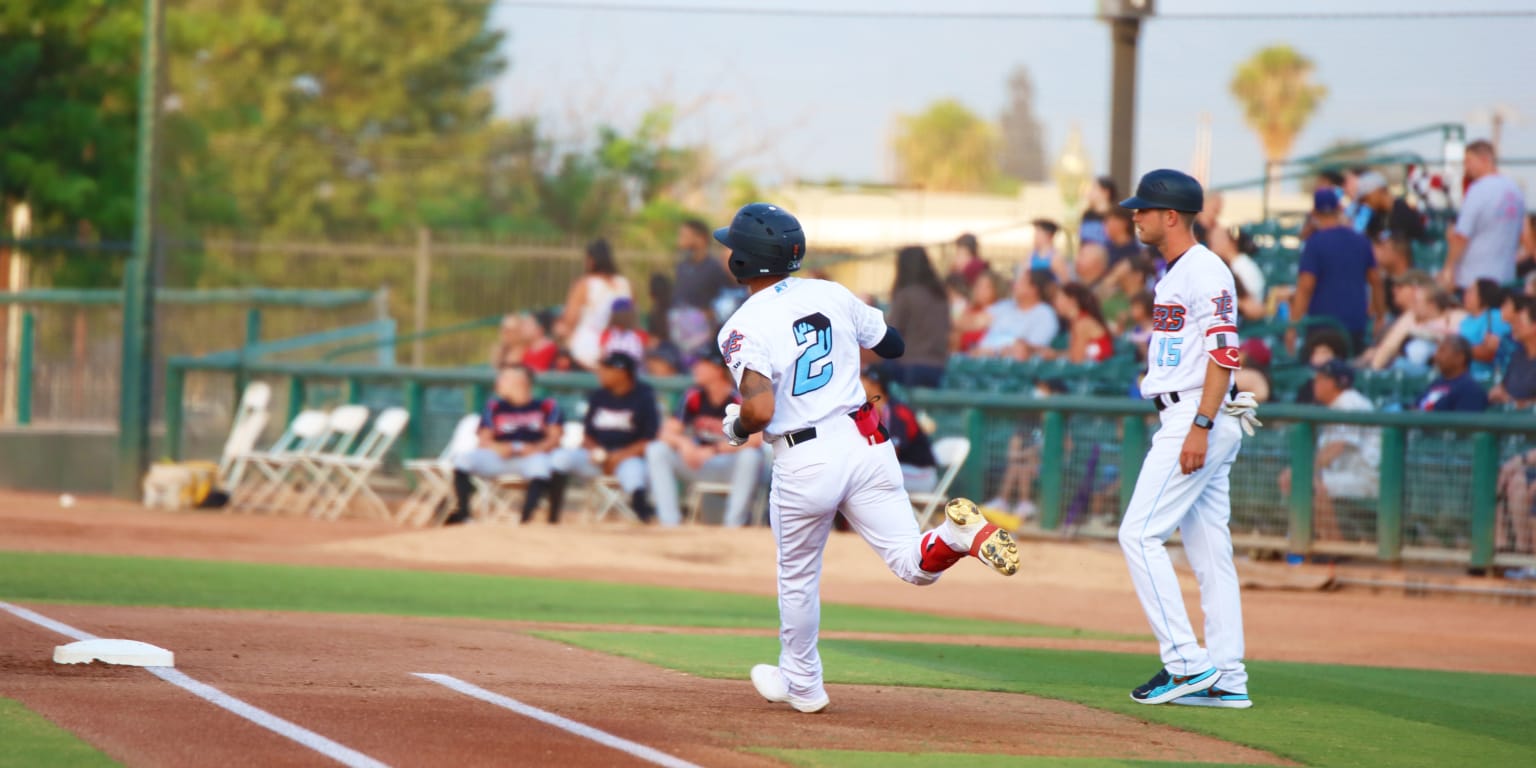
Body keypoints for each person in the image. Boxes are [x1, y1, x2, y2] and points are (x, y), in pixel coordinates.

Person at [711, 202, 1018, 714]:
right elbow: (892, 345)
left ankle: (805, 685)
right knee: (912, 562)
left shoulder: (739, 326)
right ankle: (954, 536)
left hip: (805, 457)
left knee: (798, 577)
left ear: (742, 262)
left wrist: (736, 426)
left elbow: (760, 407)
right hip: (866, 442)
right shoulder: (830, 292)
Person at [1116, 169, 1254, 709]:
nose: (1136, 215)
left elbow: (1226, 353)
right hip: (1197, 414)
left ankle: (1186, 664)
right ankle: (1226, 676)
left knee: (1138, 535)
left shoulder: (1205, 271)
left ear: (1170, 216)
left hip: (1197, 416)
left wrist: (1199, 424)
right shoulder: (1176, 272)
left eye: (1144, 209)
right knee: (1210, 552)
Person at [645, 351, 764, 527]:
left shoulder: (738, 397)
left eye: (702, 365)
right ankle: (669, 523)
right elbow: (665, 432)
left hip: (729, 464)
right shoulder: (693, 396)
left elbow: (756, 439)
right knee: (657, 450)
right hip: (698, 462)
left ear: (717, 370)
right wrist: (684, 444)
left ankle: (734, 526)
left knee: (751, 457)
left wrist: (714, 450)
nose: (696, 369)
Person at [447, 366, 566, 526]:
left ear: (521, 381)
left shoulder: (546, 405)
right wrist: (497, 447)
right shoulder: (495, 406)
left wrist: (536, 449)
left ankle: (525, 519)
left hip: (531, 456)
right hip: (500, 456)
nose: (498, 383)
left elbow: (555, 438)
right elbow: (484, 439)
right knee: (463, 460)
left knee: (542, 466)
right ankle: (464, 514)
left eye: (504, 379)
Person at [1278, 361, 1379, 542]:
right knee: (1300, 480)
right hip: (1349, 474)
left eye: (1320, 379)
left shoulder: (1350, 402)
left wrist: (1302, 470)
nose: (1315, 383)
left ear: (1337, 383)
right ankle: (1311, 539)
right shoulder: (1338, 404)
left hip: (1368, 477)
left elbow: (1337, 447)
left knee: (1304, 482)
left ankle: (1333, 544)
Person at [552, 352, 659, 521]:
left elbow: (649, 439)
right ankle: (553, 513)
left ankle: (643, 516)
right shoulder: (599, 396)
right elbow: (587, 435)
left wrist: (618, 457)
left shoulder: (644, 396)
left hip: (628, 458)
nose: (600, 373)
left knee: (634, 472)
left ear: (621, 372)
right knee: (561, 457)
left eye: (606, 369)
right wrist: (596, 451)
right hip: (597, 458)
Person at [1289, 187, 1382, 356]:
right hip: (1355, 327)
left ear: (1315, 213)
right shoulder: (1360, 240)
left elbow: (1305, 286)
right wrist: (1380, 316)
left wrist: (1293, 327)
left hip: (1322, 328)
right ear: (1339, 209)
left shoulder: (1315, 243)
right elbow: (1376, 280)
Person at [1444, 140, 1527, 291]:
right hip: (1505, 276)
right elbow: (1525, 234)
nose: (1466, 167)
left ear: (1484, 159)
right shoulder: (1515, 189)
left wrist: (1448, 268)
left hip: (1474, 281)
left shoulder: (1478, 190)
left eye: (1469, 161)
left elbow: (1461, 236)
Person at [859, 368, 939, 493]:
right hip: (900, 470)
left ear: (876, 384)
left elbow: (893, 454)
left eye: (864, 380)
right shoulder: (870, 410)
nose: (860, 383)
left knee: (870, 479)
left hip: (920, 473)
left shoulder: (898, 412)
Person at [558, 239, 633, 370]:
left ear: (591, 260)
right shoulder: (625, 284)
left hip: (586, 350)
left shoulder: (585, 285)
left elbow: (570, 320)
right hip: (621, 348)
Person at [883, 246, 951, 388]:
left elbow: (891, 332)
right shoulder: (940, 295)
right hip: (938, 367)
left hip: (908, 366)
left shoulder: (906, 295)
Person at [972, 271, 1060, 360]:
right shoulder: (1004, 306)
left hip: (1011, 369)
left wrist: (995, 352)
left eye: (1021, 282)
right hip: (978, 362)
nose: (1015, 284)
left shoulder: (1045, 315)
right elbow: (972, 322)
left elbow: (1029, 350)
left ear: (1033, 289)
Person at [1417, 336, 1488, 412]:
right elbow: (1415, 407)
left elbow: (1464, 422)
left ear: (1460, 357)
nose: (1436, 356)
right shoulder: (1436, 383)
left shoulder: (1470, 389)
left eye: (1442, 351)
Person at [1050, 282, 1114, 364]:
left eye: (1058, 299)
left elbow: (1077, 359)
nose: (1054, 303)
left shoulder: (1082, 324)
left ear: (1072, 301)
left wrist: (1056, 355)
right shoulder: (1076, 322)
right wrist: (1055, 354)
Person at [1458, 279, 1508, 381]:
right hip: (1464, 375)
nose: (1465, 295)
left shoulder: (1495, 316)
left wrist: (1456, 350)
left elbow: (1490, 353)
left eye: (1471, 291)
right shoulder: (1467, 320)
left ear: (1483, 296)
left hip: (1488, 376)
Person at [1491, 299, 1536, 408]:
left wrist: (1517, 403)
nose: (1514, 326)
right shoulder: (1517, 355)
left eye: (1520, 322)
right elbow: (1504, 386)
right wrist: (1499, 392)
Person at [952, 270, 1001, 353]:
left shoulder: (999, 312)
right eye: (977, 285)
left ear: (996, 290)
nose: (979, 290)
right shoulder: (967, 309)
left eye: (986, 287)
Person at [598, 297, 649, 362]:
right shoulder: (607, 333)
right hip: (613, 369)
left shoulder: (640, 334)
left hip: (635, 369)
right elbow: (603, 356)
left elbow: (644, 358)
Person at [1079, 176, 1117, 247]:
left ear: (1106, 192)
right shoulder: (1087, 214)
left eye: (1094, 188)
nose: (1090, 192)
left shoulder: (1114, 216)